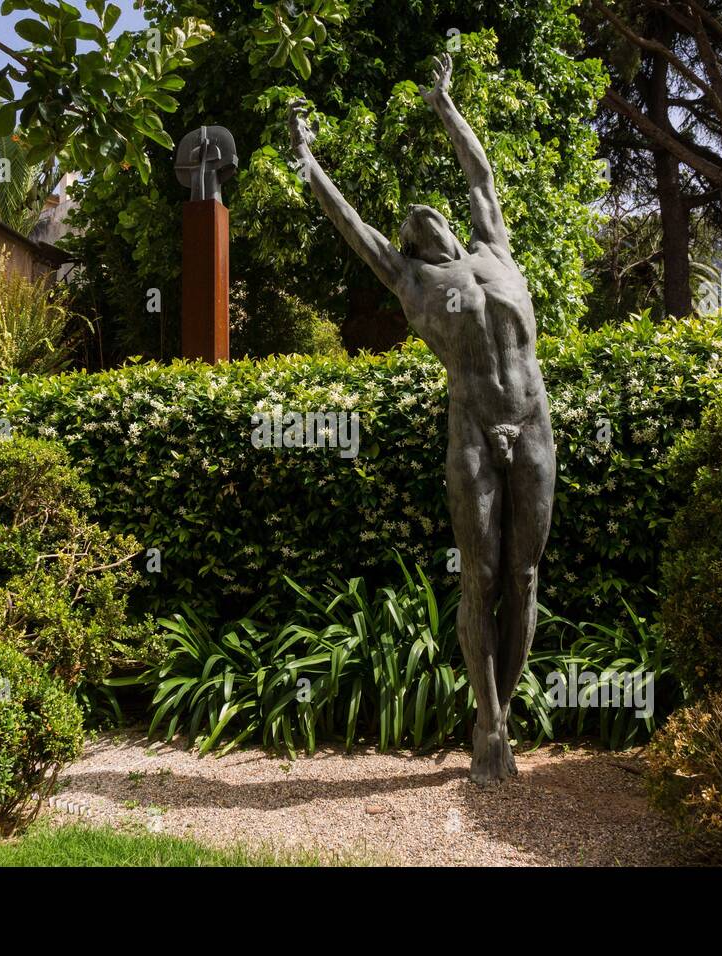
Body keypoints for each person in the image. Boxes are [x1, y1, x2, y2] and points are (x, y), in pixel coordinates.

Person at [288, 53, 555, 783]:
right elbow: (350, 225)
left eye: (425, 209)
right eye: (411, 219)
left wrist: (444, 104)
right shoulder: (411, 281)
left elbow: (482, 175)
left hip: (532, 419)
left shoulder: (496, 251)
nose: (421, 213)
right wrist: (309, 161)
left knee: (525, 577)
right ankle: (489, 723)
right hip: (471, 425)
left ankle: (507, 711)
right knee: (481, 576)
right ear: (408, 241)